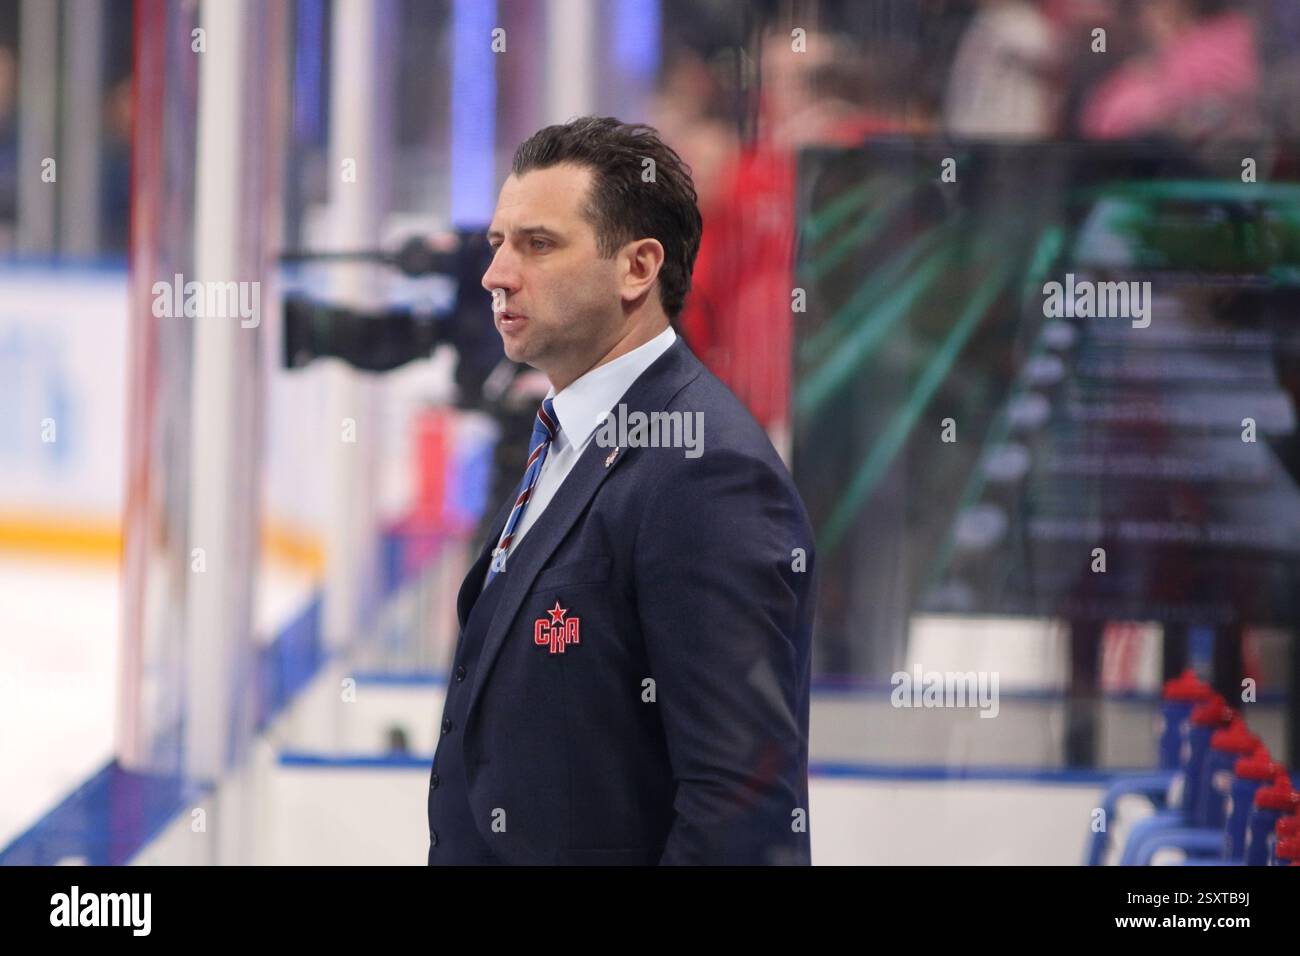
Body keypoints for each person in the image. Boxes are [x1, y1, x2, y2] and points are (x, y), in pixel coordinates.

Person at [426, 116, 815, 865]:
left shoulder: (706, 473)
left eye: (538, 244)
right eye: (497, 243)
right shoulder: (567, 433)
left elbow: (737, 815)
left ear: (637, 268)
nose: (497, 275)